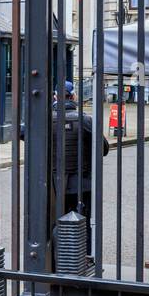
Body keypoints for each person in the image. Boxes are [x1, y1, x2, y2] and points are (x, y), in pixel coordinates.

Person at [53, 80, 109, 247]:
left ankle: (57, 260)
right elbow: (103, 148)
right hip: (81, 184)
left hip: (54, 184)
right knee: (82, 224)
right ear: (74, 96)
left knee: (56, 222)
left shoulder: (45, 119)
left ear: (55, 97)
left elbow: (22, 133)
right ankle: (82, 258)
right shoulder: (84, 120)